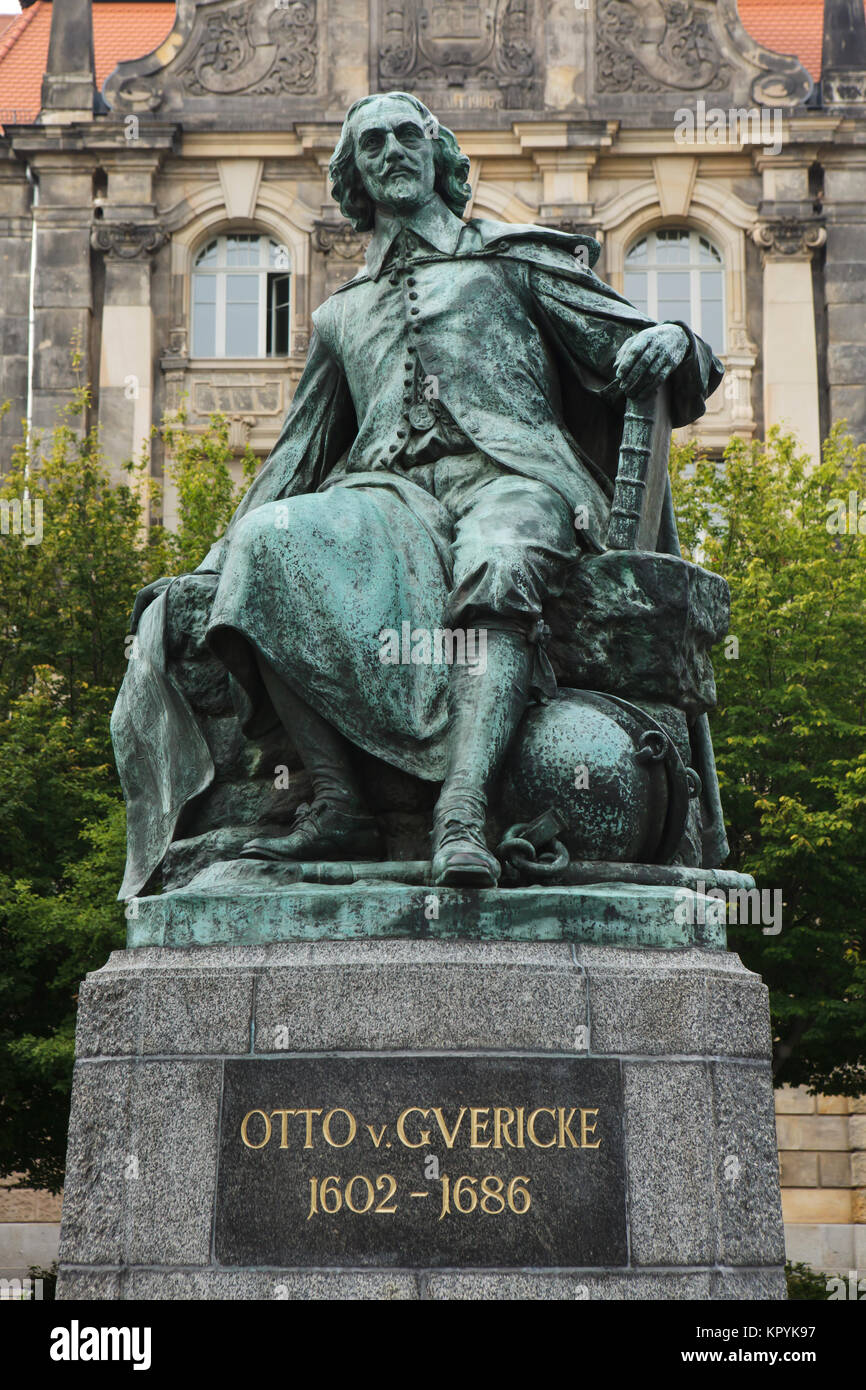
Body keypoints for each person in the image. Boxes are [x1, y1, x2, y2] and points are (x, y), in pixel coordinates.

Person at [118, 91, 723, 896]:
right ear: (355, 176)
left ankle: (463, 812)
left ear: (439, 157)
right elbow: (295, 457)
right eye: (373, 144)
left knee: (499, 557)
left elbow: (657, 351)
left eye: (410, 136)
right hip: (389, 493)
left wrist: (674, 339)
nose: (394, 151)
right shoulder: (343, 313)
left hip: (514, 480)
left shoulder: (515, 259)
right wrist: (211, 562)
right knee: (264, 545)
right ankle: (336, 804)